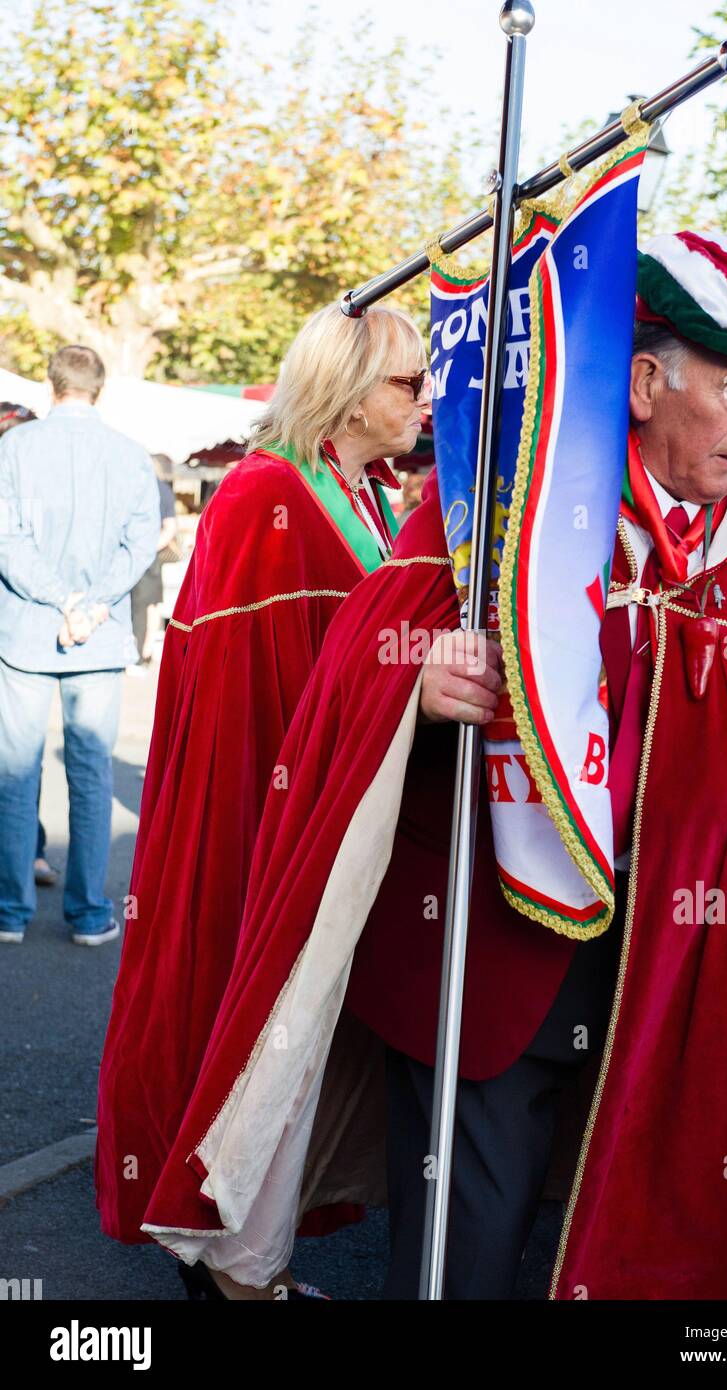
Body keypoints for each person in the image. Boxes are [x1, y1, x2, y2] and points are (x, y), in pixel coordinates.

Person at [119, 229, 727, 1303]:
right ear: (646, 381)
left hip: (685, 980)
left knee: (632, 1242)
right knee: (463, 1262)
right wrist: (415, 691)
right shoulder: (505, 513)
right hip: (491, 970)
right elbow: (349, 680)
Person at [94, 301, 430, 1301]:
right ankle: (227, 1267)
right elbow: (248, 710)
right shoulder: (263, 495)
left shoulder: (350, 489)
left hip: (318, 822)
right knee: (245, 1025)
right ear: (341, 386)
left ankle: (249, 1259)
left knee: (298, 1042)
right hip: (260, 825)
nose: (423, 401)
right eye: (405, 383)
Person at [0, 347, 160, 946]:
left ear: (52, 384)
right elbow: (141, 541)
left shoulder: (13, 448)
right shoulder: (127, 454)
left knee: (16, 772)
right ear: (99, 388)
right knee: (91, 774)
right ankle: (89, 914)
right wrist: (89, 604)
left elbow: (7, 539)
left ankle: (9, 912)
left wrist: (63, 600)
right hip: (95, 631)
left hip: (27, 629)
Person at [0, 401, 58, 886]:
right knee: (20, 758)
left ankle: (31, 851)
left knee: (20, 759)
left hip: (21, 632)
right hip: (23, 631)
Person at [128, 453, 179, 671]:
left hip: (145, 556)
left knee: (142, 606)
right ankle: (144, 653)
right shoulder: (162, 489)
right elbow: (170, 527)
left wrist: (145, 548)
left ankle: (141, 655)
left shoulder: (145, 489)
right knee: (151, 606)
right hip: (149, 556)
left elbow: (169, 527)